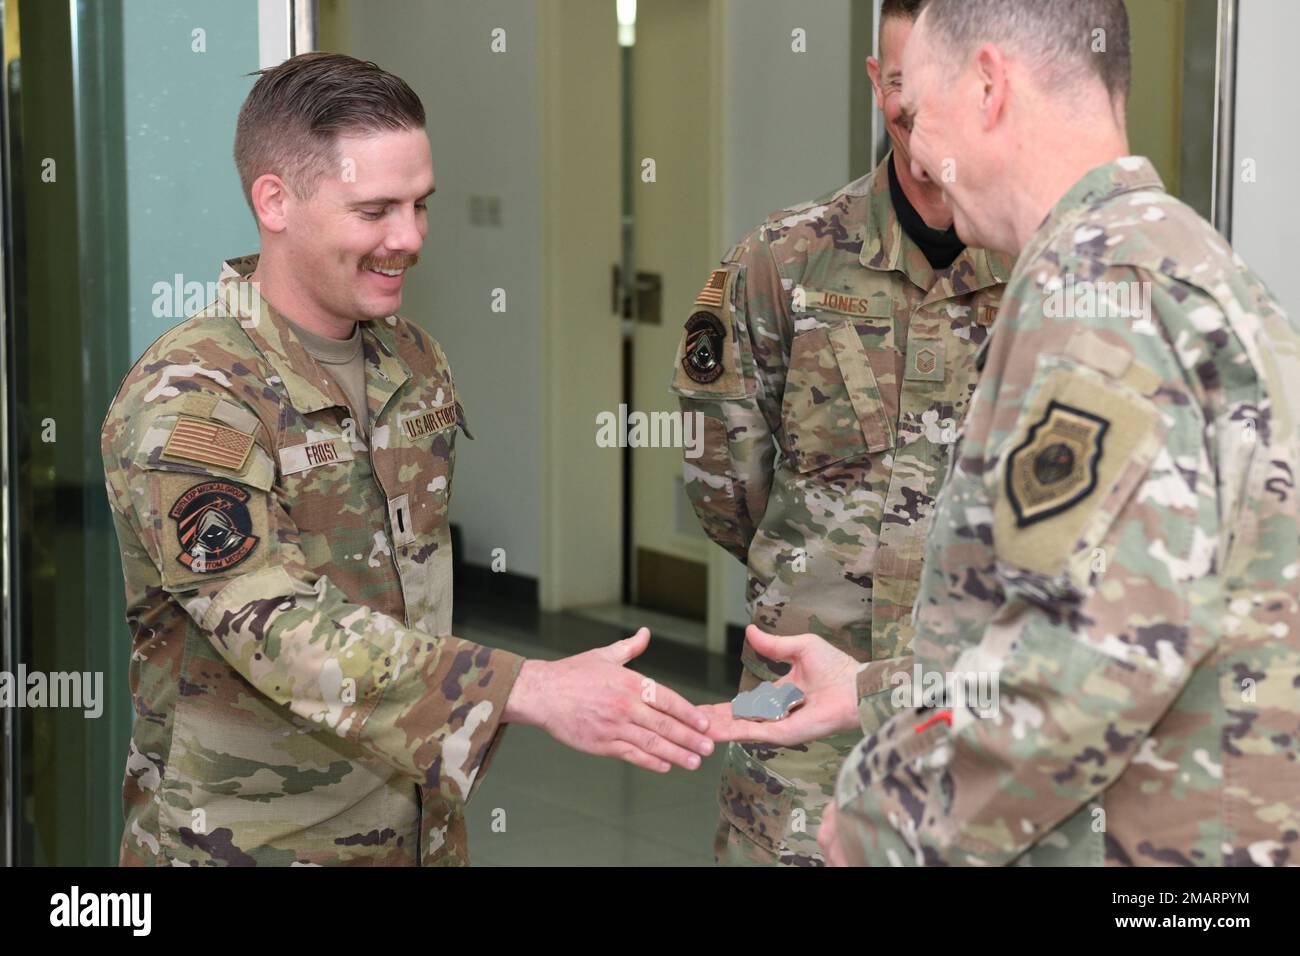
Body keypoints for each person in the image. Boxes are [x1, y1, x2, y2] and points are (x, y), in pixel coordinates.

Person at [707, 0, 1300, 867]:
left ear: (989, 87)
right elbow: (1106, 616)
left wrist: (885, 826)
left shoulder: (1096, 303)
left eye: (925, 114)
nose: (917, 155)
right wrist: (877, 691)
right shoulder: (1189, 263)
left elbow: (1087, 668)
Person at [102, 52, 713, 867]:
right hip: (249, 846)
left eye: (422, 205)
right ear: (275, 201)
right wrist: (525, 688)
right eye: (376, 210)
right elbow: (274, 624)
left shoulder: (414, 361)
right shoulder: (195, 397)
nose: (410, 238)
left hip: (415, 832)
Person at [669, 0, 1013, 865]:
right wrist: (818, 569)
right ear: (875, 82)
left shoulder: (1045, 272)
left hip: (983, 709)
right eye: (902, 85)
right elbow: (723, 482)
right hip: (805, 710)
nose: (921, 114)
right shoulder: (785, 262)